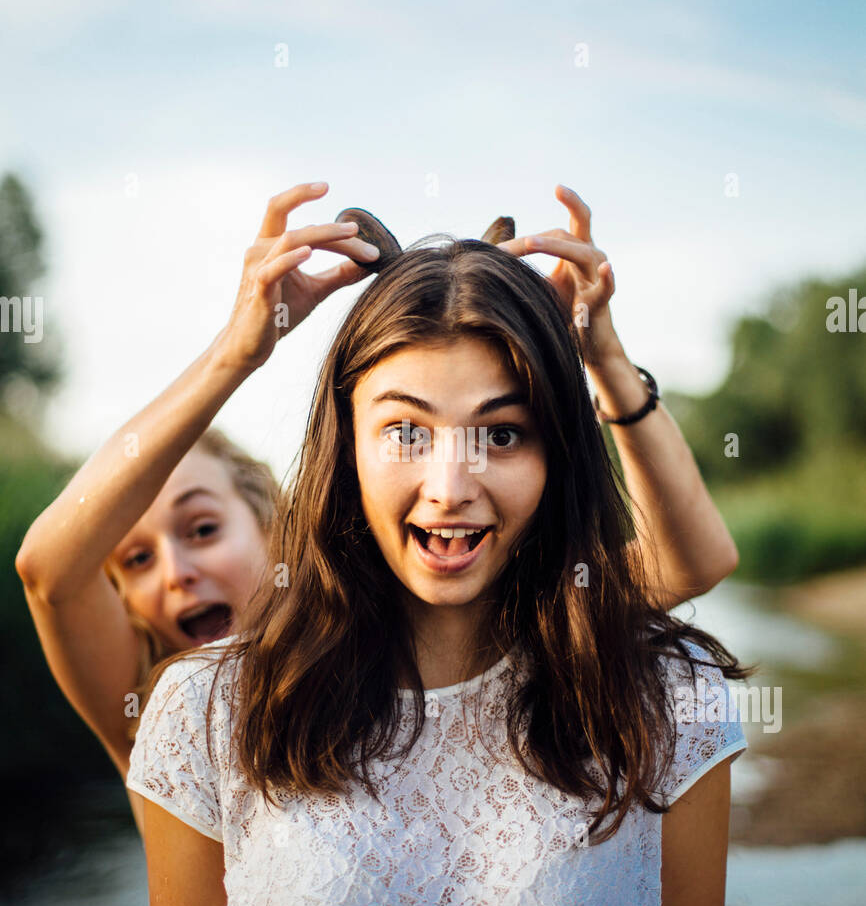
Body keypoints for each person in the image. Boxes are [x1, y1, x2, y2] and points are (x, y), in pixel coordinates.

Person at [123, 182, 751, 906]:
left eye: (503, 432)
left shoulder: (668, 701)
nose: (452, 484)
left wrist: (607, 362)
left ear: (557, 455)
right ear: (347, 444)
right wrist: (235, 351)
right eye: (406, 430)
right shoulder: (206, 709)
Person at [16, 183, 738, 839]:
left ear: (275, 515)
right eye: (134, 558)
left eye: (203, 529)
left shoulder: (422, 628)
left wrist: (601, 358)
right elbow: (49, 570)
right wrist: (236, 353)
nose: (175, 573)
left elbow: (687, 563)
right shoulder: (173, 707)